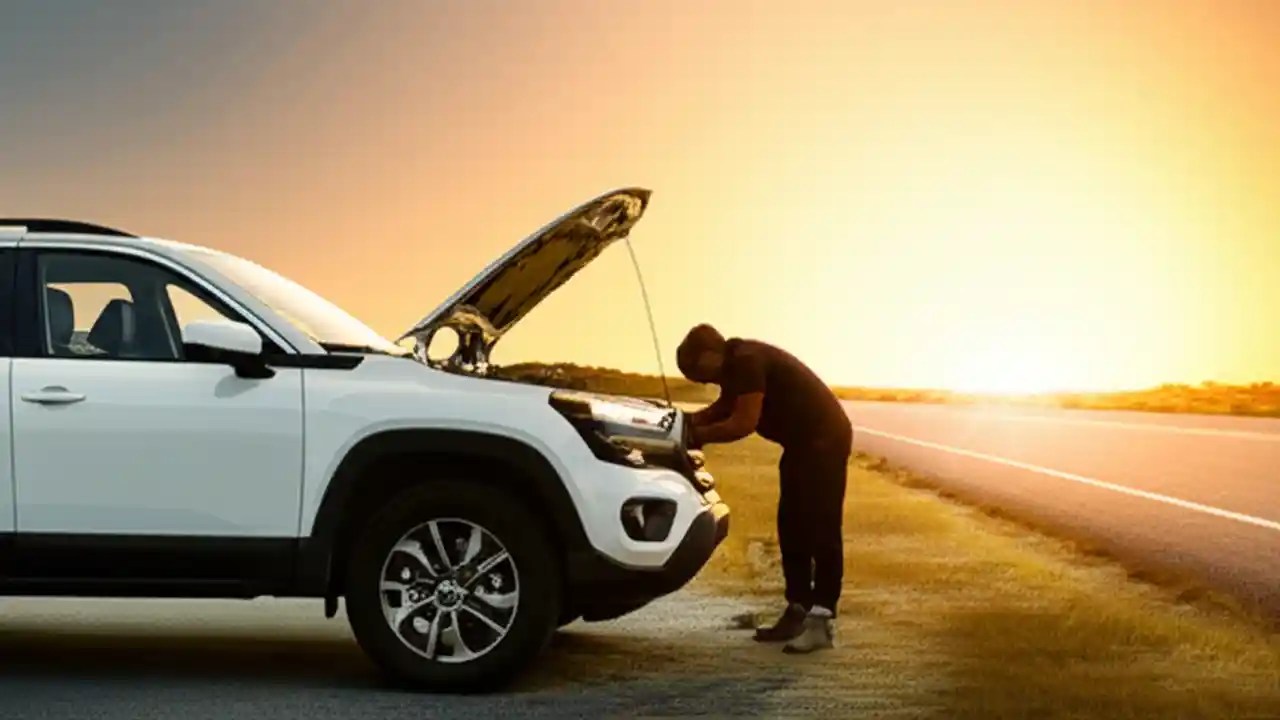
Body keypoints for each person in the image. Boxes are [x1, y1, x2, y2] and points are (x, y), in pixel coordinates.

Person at [676, 323, 852, 653]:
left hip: (825, 438)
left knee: (821, 526)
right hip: (800, 444)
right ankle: (797, 610)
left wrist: (698, 437)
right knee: (791, 524)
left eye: (698, 372)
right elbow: (721, 409)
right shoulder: (733, 366)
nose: (701, 381)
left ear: (712, 353)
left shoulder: (746, 361)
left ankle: (821, 623)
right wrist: (683, 422)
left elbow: (743, 423)